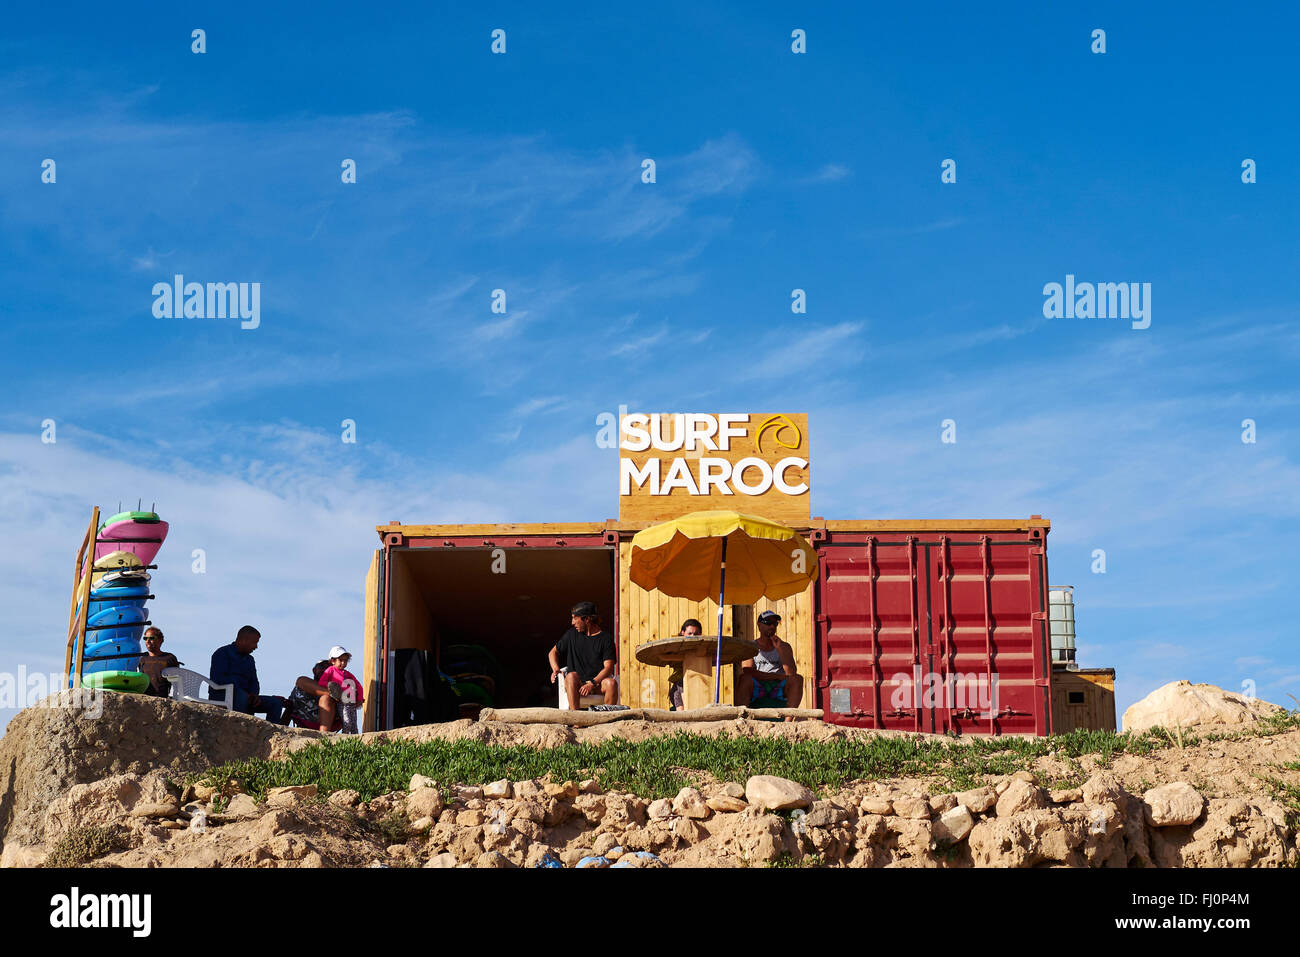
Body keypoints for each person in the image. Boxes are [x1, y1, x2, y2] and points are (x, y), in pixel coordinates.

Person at [548, 601, 617, 710]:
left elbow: (608, 667)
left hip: (597, 684)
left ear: (587, 619)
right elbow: (553, 652)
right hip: (577, 684)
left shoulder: (606, 639)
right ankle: (576, 721)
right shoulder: (571, 634)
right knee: (571, 676)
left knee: (611, 683)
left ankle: (607, 722)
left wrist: (592, 683)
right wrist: (556, 669)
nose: (572, 622)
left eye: (575, 618)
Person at [209, 625, 285, 722]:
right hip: (223, 696)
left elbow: (254, 681)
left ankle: (272, 734)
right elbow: (219, 678)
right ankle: (240, 728)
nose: (256, 647)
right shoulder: (222, 653)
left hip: (246, 697)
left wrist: (254, 695)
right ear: (244, 640)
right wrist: (242, 692)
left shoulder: (250, 660)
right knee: (241, 696)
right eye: (254, 643)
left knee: (276, 703)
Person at [738, 610, 802, 716]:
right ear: (759, 625)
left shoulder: (784, 646)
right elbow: (747, 671)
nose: (772, 626)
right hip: (759, 685)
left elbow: (791, 673)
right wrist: (776, 676)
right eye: (768, 623)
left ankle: (788, 723)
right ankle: (742, 719)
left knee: (797, 679)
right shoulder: (750, 646)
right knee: (744, 679)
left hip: (778, 687)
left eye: (775, 623)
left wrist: (780, 649)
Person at [283, 660, 343, 732]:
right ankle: (331, 694)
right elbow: (290, 705)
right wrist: (281, 727)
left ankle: (323, 736)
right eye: (321, 666)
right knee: (301, 680)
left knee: (326, 698)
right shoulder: (302, 685)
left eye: (328, 668)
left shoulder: (337, 686)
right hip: (304, 718)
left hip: (329, 721)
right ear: (314, 670)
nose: (324, 669)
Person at [318, 645, 363, 734]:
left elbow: (358, 685)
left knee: (354, 724)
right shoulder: (330, 670)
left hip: (351, 701)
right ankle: (344, 738)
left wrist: (360, 699)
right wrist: (331, 685)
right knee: (347, 722)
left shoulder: (348, 674)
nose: (343, 663)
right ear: (333, 661)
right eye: (340, 660)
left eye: (345, 661)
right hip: (342, 700)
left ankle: (356, 740)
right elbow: (321, 682)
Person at [667, 618, 703, 710]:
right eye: (689, 633)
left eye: (696, 634)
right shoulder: (676, 647)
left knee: (680, 688)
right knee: (679, 687)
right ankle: (682, 713)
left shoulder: (702, 648)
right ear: (683, 633)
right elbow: (663, 654)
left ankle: (683, 713)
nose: (692, 636)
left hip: (697, 684)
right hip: (679, 685)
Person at [136, 627, 180, 697]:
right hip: (144, 698)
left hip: (162, 698)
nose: (148, 641)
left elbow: (177, 681)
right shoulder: (142, 658)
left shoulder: (169, 658)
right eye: (145, 638)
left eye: (151, 638)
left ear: (160, 640)